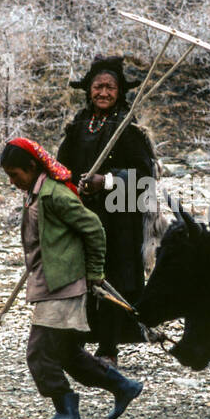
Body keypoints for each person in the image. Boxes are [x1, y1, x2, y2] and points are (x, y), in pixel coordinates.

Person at [0, 137, 144, 419]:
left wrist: (94, 272)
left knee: (39, 353)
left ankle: (67, 412)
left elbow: (93, 228)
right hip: (50, 281)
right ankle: (123, 386)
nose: (13, 181)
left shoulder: (54, 195)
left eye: (15, 175)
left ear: (31, 167)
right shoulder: (36, 192)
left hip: (62, 284)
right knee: (66, 352)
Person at [56, 56, 158, 368]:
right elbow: (62, 166)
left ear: (120, 92)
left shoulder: (129, 125)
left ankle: (109, 348)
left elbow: (145, 175)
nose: (103, 92)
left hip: (118, 217)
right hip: (82, 211)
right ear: (88, 90)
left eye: (110, 87)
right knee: (80, 277)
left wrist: (109, 181)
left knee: (113, 277)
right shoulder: (78, 124)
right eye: (98, 86)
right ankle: (76, 344)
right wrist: (72, 185)